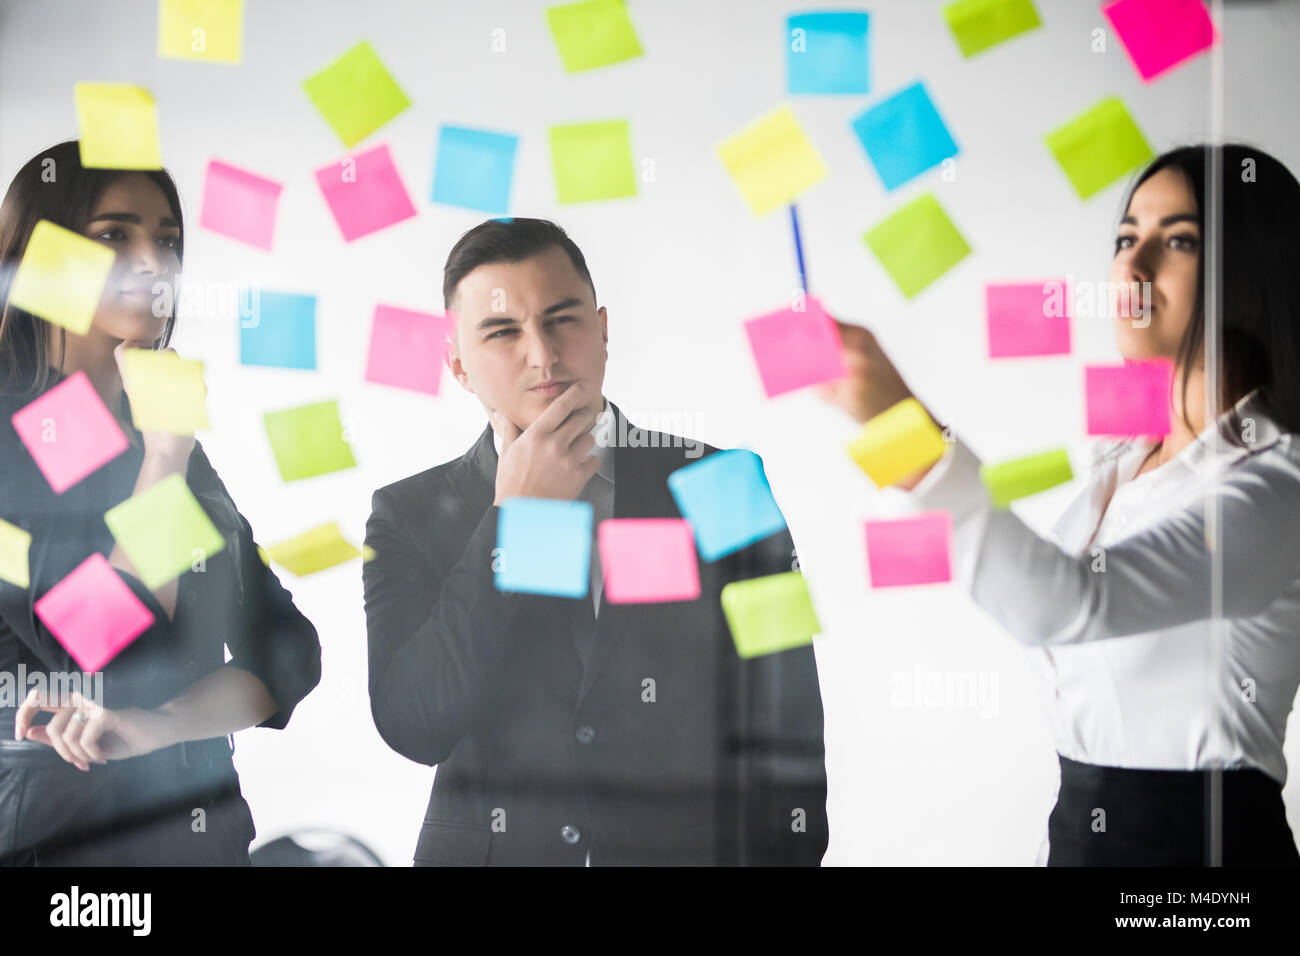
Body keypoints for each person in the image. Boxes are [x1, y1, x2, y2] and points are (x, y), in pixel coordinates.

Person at [819, 143, 1300, 866]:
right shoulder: (1123, 465)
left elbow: (1072, 607)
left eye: (1178, 240)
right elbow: (1035, 582)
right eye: (1124, 238)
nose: (1133, 268)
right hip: (1081, 830)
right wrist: (900, 433)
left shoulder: (1277, 485)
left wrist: (905, 431)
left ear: (1251, 268)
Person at [363, 218, 828, 866]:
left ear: (604, 330)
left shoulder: (725, 483)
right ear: (459, 365)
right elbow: (417, 722)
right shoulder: (406, 513)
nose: (543, 355)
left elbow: (788, 715)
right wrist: (513, 520)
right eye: (503, 332)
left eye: (563, 320)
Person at [0, 141, 322, 865]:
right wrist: (167, 456)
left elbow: (290, 654)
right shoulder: (26, 433)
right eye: (115, 235)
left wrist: (164, 724)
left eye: (168, 239)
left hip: (200, 826)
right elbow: (111, 656)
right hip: (65, 840)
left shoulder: (154, 433)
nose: (155, 262)